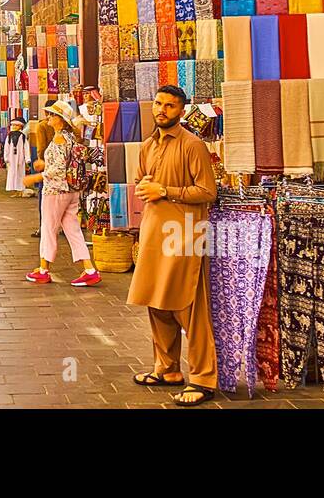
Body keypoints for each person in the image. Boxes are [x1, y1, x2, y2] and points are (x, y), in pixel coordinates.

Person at [128, 85, 219, 407]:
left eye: (169, 105)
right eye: (158, 103)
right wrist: (147, 188)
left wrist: (165, 190)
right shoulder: (147, 145)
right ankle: (167, 369)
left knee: (188, 308)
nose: (162, 109)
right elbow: (142, 181)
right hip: (154, 232)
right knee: (157, 302)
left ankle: (203, 379)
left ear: (181, 110)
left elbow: (207, 192)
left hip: (184, 235)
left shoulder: (193, 145)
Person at [24, 100, 101, 288]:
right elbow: (62, 163)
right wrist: (45, 165)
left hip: (56, 191)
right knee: (73, 230)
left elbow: (57, 170)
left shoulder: (59, 139)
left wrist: (35, 177)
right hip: (71, 191)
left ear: (60, 119)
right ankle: (89, 270)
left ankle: (43, 270)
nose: (48, 117)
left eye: (51, 115)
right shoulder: (69, 137)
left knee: (48, 228)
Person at [3, 117, 30, 195]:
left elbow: (26, 147)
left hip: (20, 158)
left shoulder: (23, 136)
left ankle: (20, 189)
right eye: (13, 125)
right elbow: (6, 147)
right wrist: (6, 157)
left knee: (20, 173)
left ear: (20, 127)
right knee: (12, 173)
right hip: (11, 158)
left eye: (16, 125)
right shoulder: (9, 136)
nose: (14, 127)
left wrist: (27, 158)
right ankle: (13, 189)